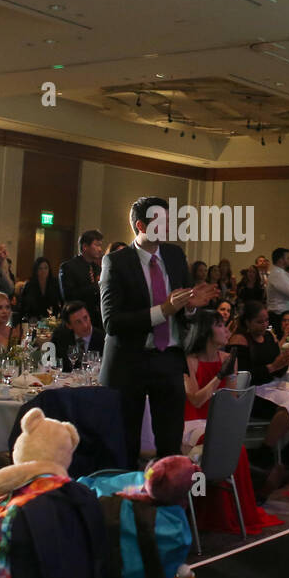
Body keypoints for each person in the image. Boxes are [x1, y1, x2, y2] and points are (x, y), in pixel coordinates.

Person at [100, 196, 218, 466]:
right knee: (125, 443)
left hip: (169, 359)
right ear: (141, 225)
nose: (168, 226)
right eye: (160, 221)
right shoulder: (116, 263)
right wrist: (163, 310)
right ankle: (126, 503)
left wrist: (190, 306)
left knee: (170, 444)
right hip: (130, 361)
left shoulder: (175, 255)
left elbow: (185, 308)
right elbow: (112, 322)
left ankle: (168, 504)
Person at [182, 309, 281, 533]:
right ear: (206, 332)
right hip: (191, 423)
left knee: (230, 442)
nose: (227, 331)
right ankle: (206, 509)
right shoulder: (189, 361)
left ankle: (233, 508)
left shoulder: (227, 359)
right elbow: (196, 400)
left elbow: (232, 399)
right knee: (215, 440)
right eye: (220, 326)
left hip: (214, 422)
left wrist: (229, 376)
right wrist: (219, 376)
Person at [227, 301, 289, 474]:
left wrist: (285, 362)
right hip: (250, 391)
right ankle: (265, 451)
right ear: (247, 322)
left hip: (271, 385)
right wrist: (272, 367)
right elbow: (242, 376)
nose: (264, 325)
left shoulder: (269, 337)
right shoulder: (240, 340)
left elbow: (277, 368)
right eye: (259, 322)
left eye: (266, 321)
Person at [59, 230, 104, 329]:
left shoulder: (97, 268)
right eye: (96, 245)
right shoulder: (68, 267)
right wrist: (96, 287)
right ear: (85, 247)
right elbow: (69, 296)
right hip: (75, 320)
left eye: (100, 245)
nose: (100, 249)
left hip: (95, 321)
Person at [52, 300, 104, 372]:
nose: (85, 325)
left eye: (86, 318)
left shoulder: (103, 339)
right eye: (78, 322)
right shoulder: (60, 337)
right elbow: (51, 367)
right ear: (69, 325)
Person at [17, 256, 62, 322]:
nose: (43, 271)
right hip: (34, 320)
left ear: (49, 269)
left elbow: (60, 302)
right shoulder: (29, 285)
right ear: (36, 270)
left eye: (46, 268)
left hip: (52, 320)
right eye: (40, 268)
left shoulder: (55, 284)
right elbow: (23, 305)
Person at [265, 247, 289, 316]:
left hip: (283, 314)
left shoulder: (283, 274)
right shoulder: (278, 274)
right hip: (279, 314)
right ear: (281, 260)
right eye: (288, 258)